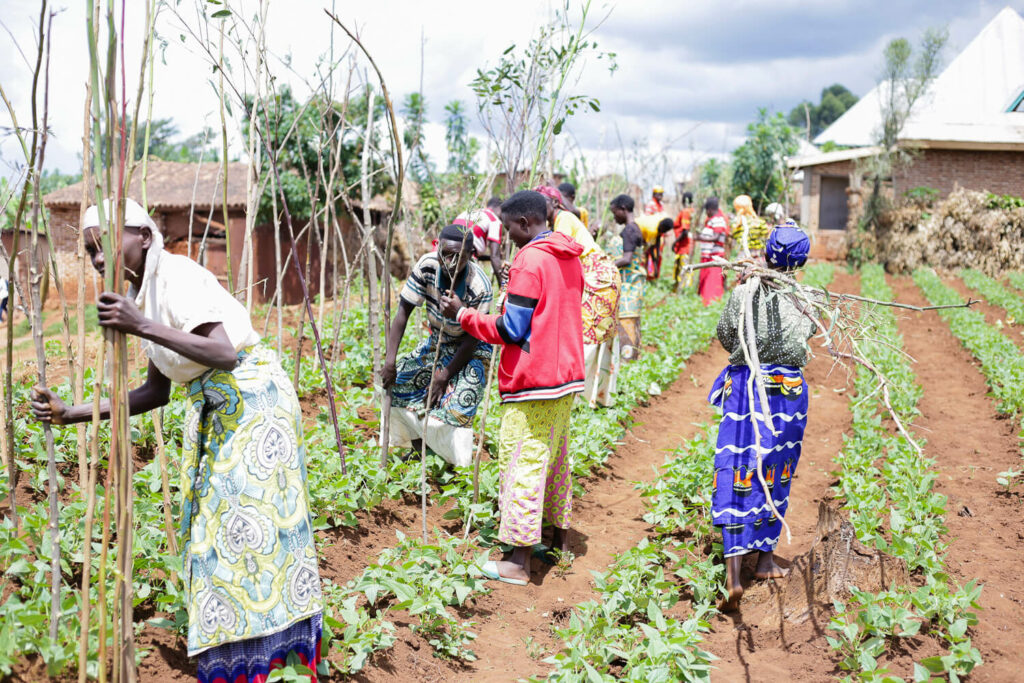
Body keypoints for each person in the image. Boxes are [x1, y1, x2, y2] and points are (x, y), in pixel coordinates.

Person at [30, 198, 323, 682]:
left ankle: (279, 662)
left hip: (254, 404)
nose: (100, 258)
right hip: (218, 408)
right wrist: (70, 414)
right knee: (217, 537)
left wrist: (140, 324)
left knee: (250, 534)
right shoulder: (143, 294)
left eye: (107, 243)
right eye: (90, 251)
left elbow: (224, 353)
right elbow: (154, 392)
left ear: (144, 236)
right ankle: (243, 664)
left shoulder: (177, 277)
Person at [439, 190, 584, 585]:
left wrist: (465, 315)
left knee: (523, 462)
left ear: (523, 223)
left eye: (508, 229)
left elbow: (511, 329)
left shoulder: (530, 260)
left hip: (534, 379)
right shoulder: (568, 256)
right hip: (564, 378)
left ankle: (519, 562)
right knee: (554, 458)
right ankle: (559, 539)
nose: (505, 238)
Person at [709, 224, 814, 611]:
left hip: (747, 387)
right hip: (788, 392)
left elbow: (725, 335)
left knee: (738, 465)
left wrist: (743, 287)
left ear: (767, 255)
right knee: (775, 468)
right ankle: (766, 561)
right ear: (800, 262)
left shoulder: (743, 292)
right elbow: (809, 336)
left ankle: (733, 573)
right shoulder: (807, 298)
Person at [381, 224, 493, 467]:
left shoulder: (480, 286)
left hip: (471, 350)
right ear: (438, 248)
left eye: (458, 257)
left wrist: (444, 376)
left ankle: (454, 465)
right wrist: (390, 361)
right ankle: (419, 447)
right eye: (445, 253)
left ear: (470, 255)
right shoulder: (427, 265)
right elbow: (403, 312)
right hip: (438, 342)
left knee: (459, 407)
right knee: (397, 385)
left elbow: (474, 337)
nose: (450, 262)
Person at [535, 185, 621, 407]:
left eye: (540, 201)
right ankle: (596, 397)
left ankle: (576, 399)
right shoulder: (561, 221)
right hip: (601, 277)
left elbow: (558, 251)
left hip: (596, 278)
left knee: (586, 338)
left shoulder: (563, 218)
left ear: (555, 203)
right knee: (597, 338)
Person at [608, 194, 645, 361]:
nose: (614, 216)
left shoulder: (629, 230)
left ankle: (628, 361)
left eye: (615, 212)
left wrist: (606, 266)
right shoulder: (634, 227)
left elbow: (627, 259)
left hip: (629, 288)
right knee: (630, 323)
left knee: (626, 323)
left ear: (623, 209)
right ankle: (631, 360)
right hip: (633, 287)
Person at [453, 197, 504, 284]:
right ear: (500, 209)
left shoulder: (469, 212)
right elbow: (494, 257)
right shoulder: (494, 220)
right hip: (463, 259)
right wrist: (503, 285)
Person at [695, 196, 728, 306]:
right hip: (709, 256)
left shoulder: (718, 220)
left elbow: (716, 237)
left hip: (715, 256)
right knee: (706, 281)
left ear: (709, 209)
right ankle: (705, 301)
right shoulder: (712, 220)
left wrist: (700, 238)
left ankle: (711, 303)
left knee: (712, 283)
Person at [635, 212, 674, 281]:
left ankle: (643, 276)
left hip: (642, 228)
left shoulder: (661, 221)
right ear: (663, 229)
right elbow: (652, 249)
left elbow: (658, 240)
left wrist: (657, 258)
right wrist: (655, 266)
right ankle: (637, 277)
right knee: (640, 255)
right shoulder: (652, 231)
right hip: (635, 229)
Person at [731, 194, 770, 261]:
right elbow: (766, 236)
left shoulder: (736, 224)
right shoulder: (759, 222)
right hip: (758, 256)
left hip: (742, 257)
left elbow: (734, 237)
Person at [672, 192, 694, 290]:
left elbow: (685, 231)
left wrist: (674, 242)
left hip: (684, 246)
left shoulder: (685, 212)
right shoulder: (691, 211)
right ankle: (681, 289)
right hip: (685, 245)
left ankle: (682, 289)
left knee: (683, 267)